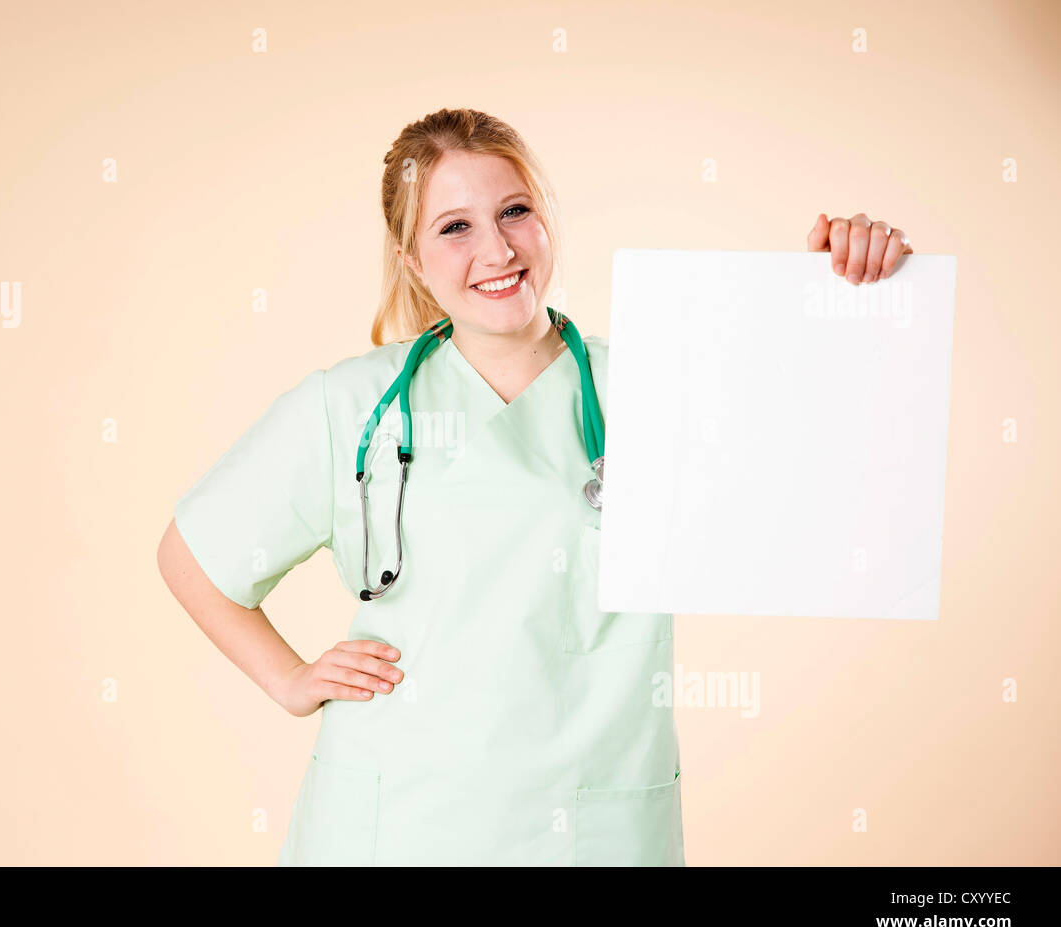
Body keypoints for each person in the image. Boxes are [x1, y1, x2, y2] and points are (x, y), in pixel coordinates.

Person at [156, 107, 914, 865]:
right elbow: (192, 557)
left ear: (546, 220)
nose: (496, 248)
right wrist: (288, 679)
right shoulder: (348, 407)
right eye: (454, 227)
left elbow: (820, 469)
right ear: (411, 259)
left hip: (592, 821)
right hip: (395, 825)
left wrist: (837, 290)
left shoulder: (659, 387)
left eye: (515, 211)